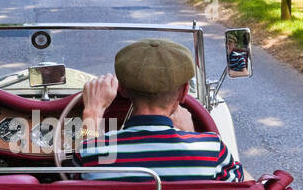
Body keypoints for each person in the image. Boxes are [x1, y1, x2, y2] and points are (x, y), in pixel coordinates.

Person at [75, 38, 244, 182]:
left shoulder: (92, 152)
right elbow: (243, 188)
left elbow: (69, 180)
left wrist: (92, 112)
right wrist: (190, 133)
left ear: (123, 89)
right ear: (185, 91)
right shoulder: (212, 150)